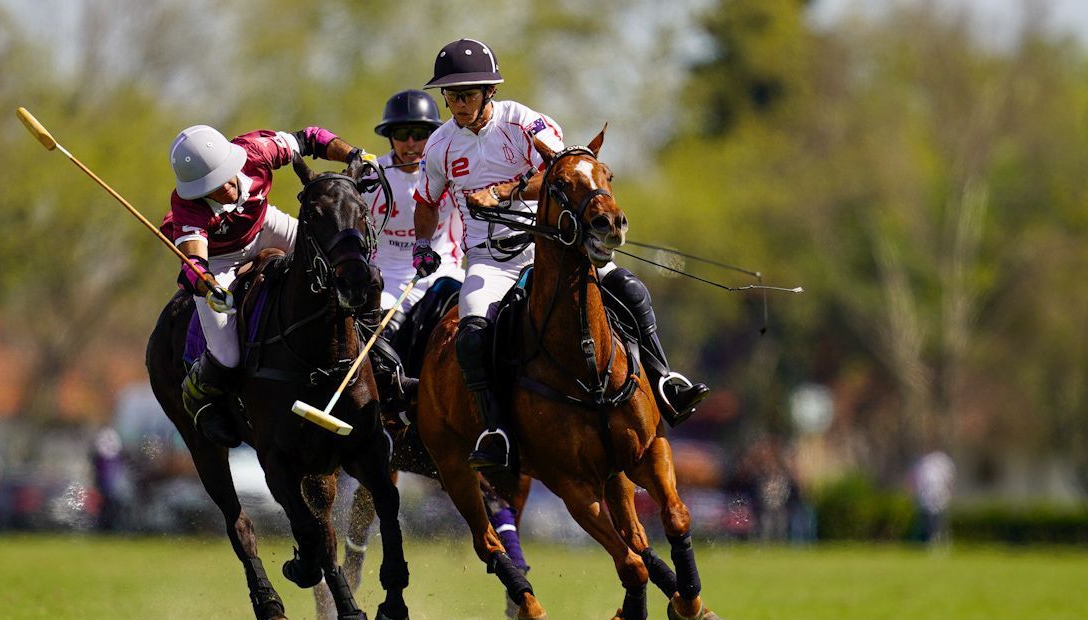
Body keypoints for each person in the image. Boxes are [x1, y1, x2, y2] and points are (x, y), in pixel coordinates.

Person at [411, 38, 710, 472]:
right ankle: (495, 431)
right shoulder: (439, 145)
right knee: (472, 334)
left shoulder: (523, 122)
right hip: (488, 259)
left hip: (547, 246)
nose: (458, 103)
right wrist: (423, 246)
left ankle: (665, 381)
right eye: (451, 95)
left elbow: (563, 171)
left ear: (489, 92)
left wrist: (502, 192)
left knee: (629, 288)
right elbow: (426, 202)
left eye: (467, 94)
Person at [163, 122, 370, 447]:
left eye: (223, 179)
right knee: (226, 355)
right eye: (211, 188)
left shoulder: (256, 152)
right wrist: (208, 286)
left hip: (267, 225)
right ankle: (200, 400)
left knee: (342, 255)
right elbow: (193, 265)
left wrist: (354, 153)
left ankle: (375, 351)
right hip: (221, 259)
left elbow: (310, 139)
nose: (224, 191)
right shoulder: (187, 206)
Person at [368, 89, 464, 322]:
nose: (411, 143)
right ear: (390, 137)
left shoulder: (454, 172)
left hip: (444, 275)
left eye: (420, 134)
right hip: (387, 282)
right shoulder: (368, 178)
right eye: (402, 133)